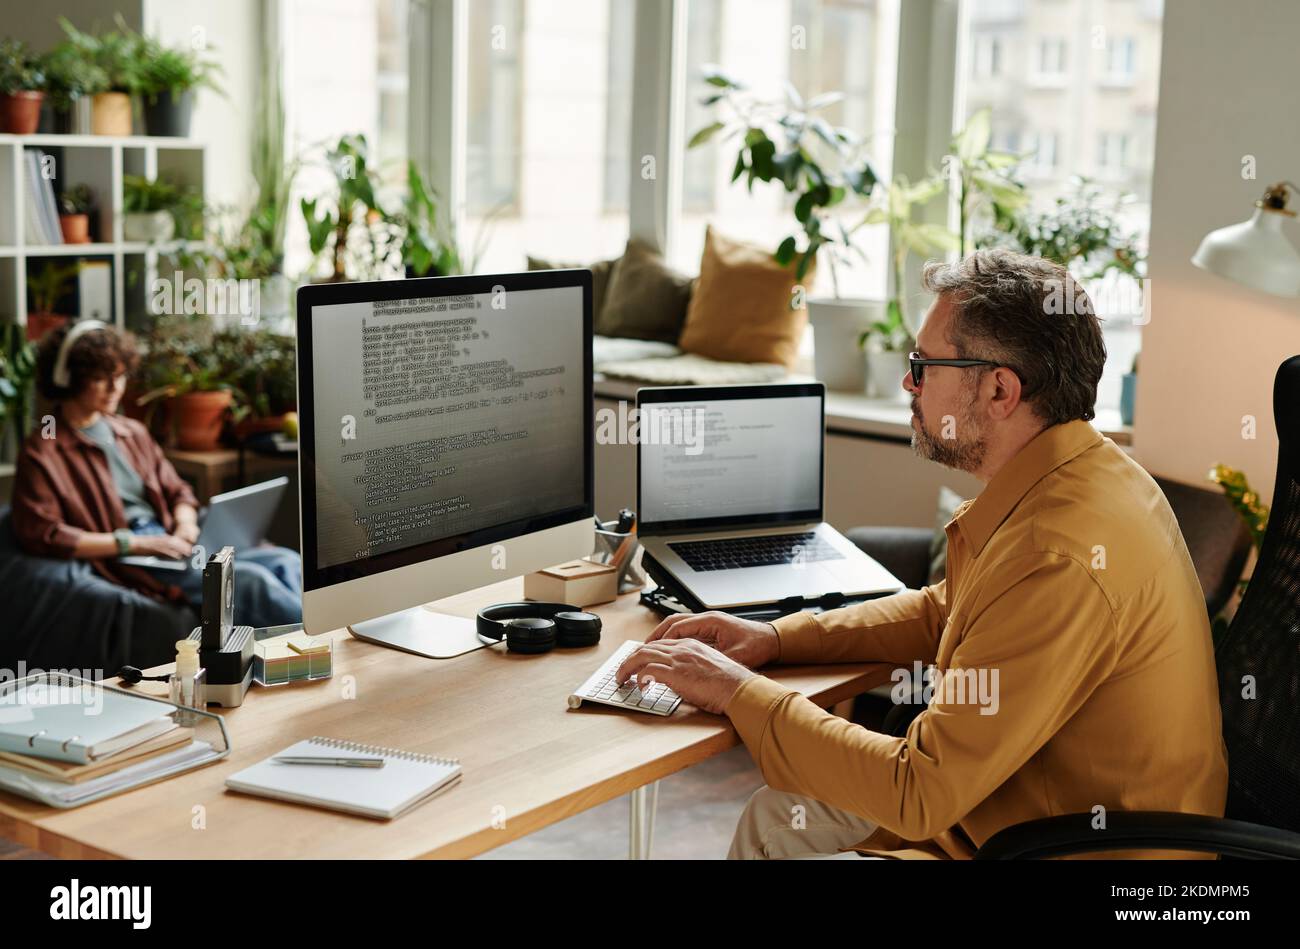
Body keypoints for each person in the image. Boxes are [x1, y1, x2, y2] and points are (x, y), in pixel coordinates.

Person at [616, 249, 1229, 859]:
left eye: (924, 364)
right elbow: (949, 611)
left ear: (999, 389)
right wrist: (774, 639)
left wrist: (736, 691)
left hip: (1074, 852)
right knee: (779, 815)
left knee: (784, 823)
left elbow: (918, 790)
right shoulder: (1089, 472)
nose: (910, 383)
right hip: (1016, 810)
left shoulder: (1058, 555)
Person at [11, 321, 302, 632]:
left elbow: (178, 491)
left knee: (286, 561)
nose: (115, 388)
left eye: (120, 376)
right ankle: (325, 650)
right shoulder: (43, 450)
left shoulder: (130, 431)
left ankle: (315, 653)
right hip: (133, 554)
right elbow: (45, 533)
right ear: (66, 379)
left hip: (169, 539)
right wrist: (136, 544)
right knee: (252, 583)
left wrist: (186, 526)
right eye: (100, 379)